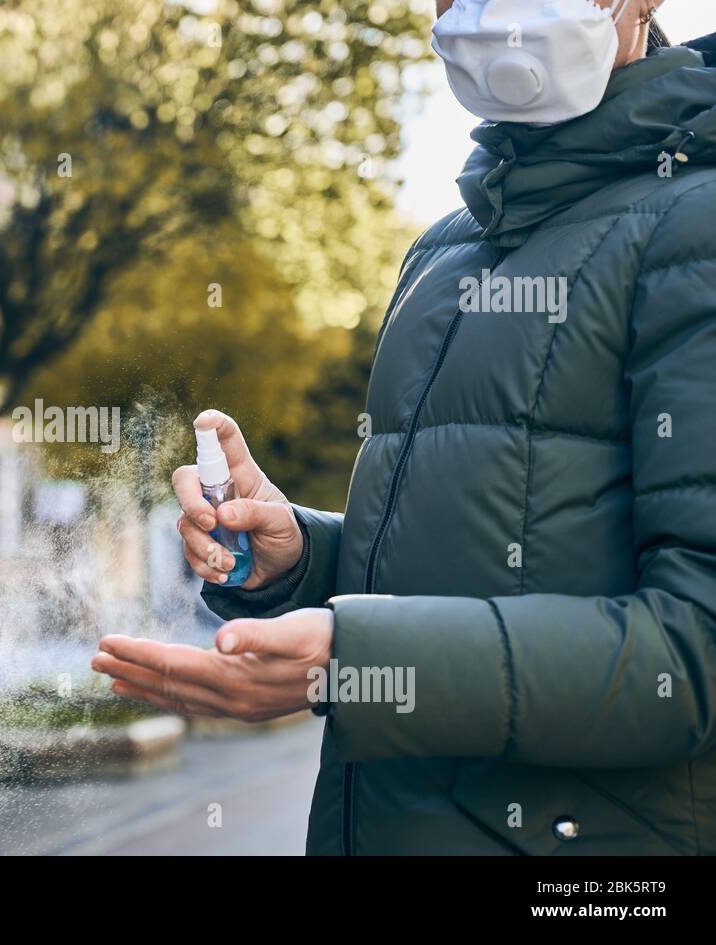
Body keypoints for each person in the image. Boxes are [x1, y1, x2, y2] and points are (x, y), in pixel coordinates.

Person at [93, 0, 716, 854]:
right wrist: (305, 562)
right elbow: (488, 566)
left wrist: (361, 661)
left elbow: (691, 659)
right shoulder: (441, 252)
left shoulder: (699, 226)